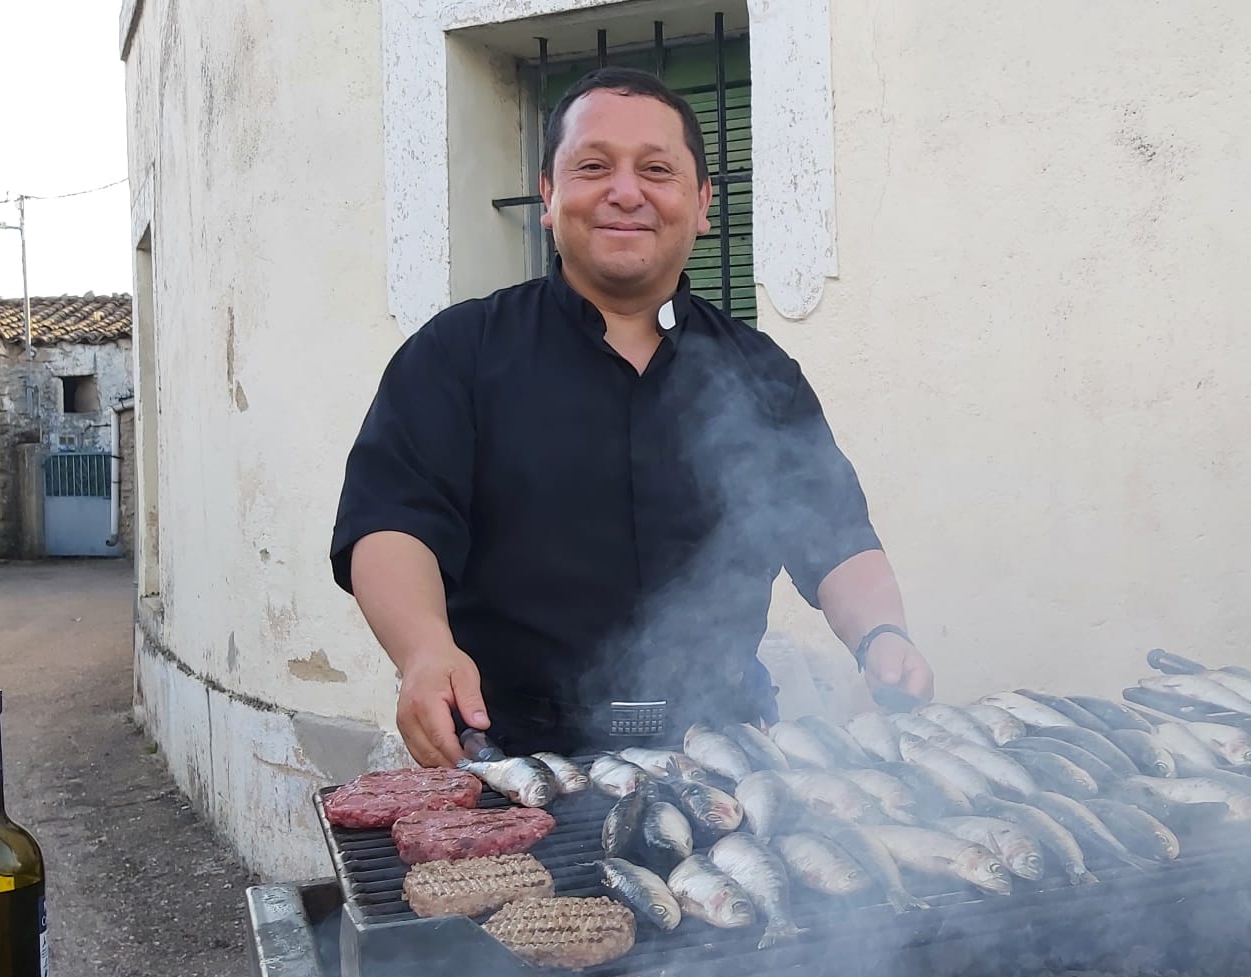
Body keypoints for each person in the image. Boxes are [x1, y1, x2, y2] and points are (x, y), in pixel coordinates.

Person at [330, 67, 933, 768]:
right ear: (550, 196)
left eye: (656, 169)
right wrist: (424, 650)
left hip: (724, 752)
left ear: (703, 202)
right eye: (592, 167)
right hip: (508, 752)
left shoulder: (761, 372)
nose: (625, 191)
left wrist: (881, 635)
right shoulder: (458, 352)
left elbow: (834, 535)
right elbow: (391, 522)